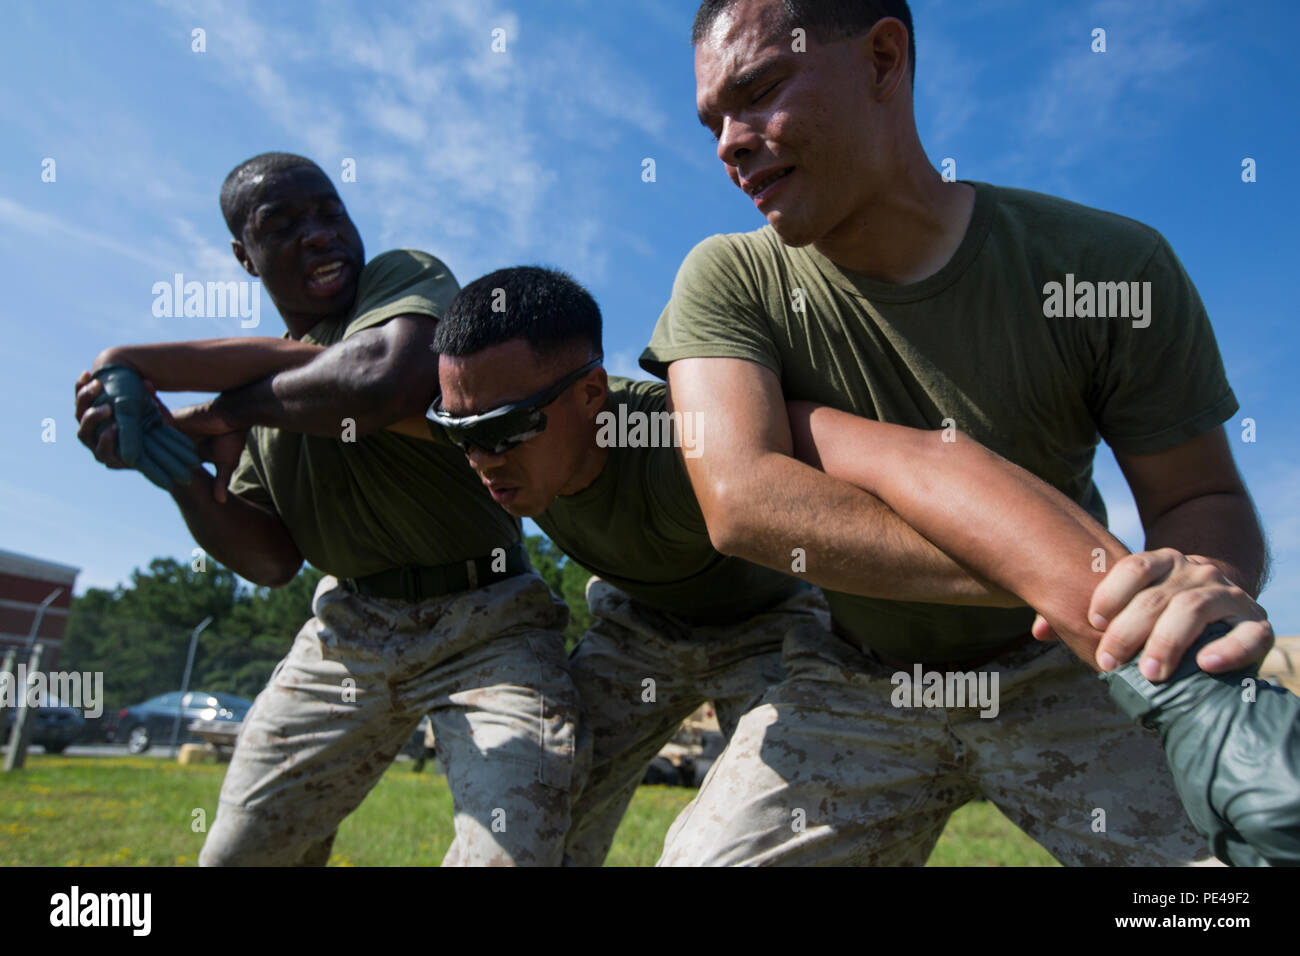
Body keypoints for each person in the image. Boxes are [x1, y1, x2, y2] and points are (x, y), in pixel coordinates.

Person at [640, 0, 1290, 865]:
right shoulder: (731, 278)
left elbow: (1200, 495)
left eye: (756, 91)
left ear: (882, 60)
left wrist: (1194, 586)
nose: (728, 141)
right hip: (853, 678)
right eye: (712, 119)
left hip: (1069, 669)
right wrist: (1071, 573)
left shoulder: (1105, 267)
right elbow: (745, 501)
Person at [73, 152, 584, 866]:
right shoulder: (258, 391)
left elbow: (385, 380)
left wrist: (220, 408)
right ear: (243, 256)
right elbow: (270, 557)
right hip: (349, 630)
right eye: (280, 225)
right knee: (238, 857)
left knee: (507, 854)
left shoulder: (401, 278)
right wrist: (177, 466)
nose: (318, 234)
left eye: (329, 212)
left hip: (488, 620)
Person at [414, 264, 831, 866]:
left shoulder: (681, 442)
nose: (480, 460)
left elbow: (845, 469)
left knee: (774, 828)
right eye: (456, 431)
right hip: (636, 627)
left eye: (504, 429)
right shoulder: (507, 453)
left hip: (769, 625)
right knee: (534, 810)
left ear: (590, 397)